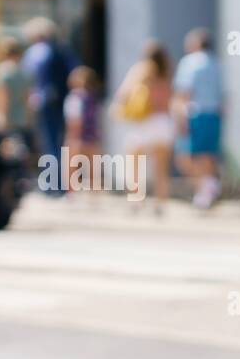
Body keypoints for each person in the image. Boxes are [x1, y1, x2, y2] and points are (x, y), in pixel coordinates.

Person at [111, 40, 175, 215]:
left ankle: (136, 201)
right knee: (161, 168)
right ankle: (161, 204)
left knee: (135, 163)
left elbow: (123, 93)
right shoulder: (167, 73)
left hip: (144, 122)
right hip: (164, 122)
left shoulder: (142, 70)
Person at [21, 17, 79, 196]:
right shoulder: (62, 50)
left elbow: (29, 78)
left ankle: (50, 185)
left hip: (44, 102)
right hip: (60, 101)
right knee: (58, 144)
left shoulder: (37, 52)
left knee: (49, 143)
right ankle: (58, 185)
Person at [173, 27, 224, 209]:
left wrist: (180, 119)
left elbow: (184, 92)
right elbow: (225, 95)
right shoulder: (218, 63)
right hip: (214, 113)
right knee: (208, 155)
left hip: (195, 113)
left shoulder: (190, 63)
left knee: (188, 156)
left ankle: (206, 188)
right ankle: (206, 191)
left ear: (195, 44)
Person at [63, 65, 103, 201]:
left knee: (72, 167)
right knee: (93, 169)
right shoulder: (93, 97)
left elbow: (74, 120)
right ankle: (94, 195)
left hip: (77, 137)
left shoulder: (74, 97)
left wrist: (72, 137)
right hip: (93, 137)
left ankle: (71, 194)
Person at [0, 36, 32, 145]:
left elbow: (1, 99)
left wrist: (0, 121)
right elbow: (27, 100)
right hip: (21, 123)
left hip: (5, 124)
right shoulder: (25, 72)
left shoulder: (0, 71)